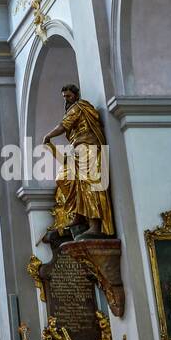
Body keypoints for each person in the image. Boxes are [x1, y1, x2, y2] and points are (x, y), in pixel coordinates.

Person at [43, 84, 114, 239]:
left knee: (90, 184)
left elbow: (63, 126)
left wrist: (48, 136)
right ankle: (79, 214)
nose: (66, 100)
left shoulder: (78, 107)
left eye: (68, 96)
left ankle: (95, 225)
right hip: (77, 148)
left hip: (88, 147)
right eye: (64, 97)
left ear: (76, 95)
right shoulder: (74, 108)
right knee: (64, 178)